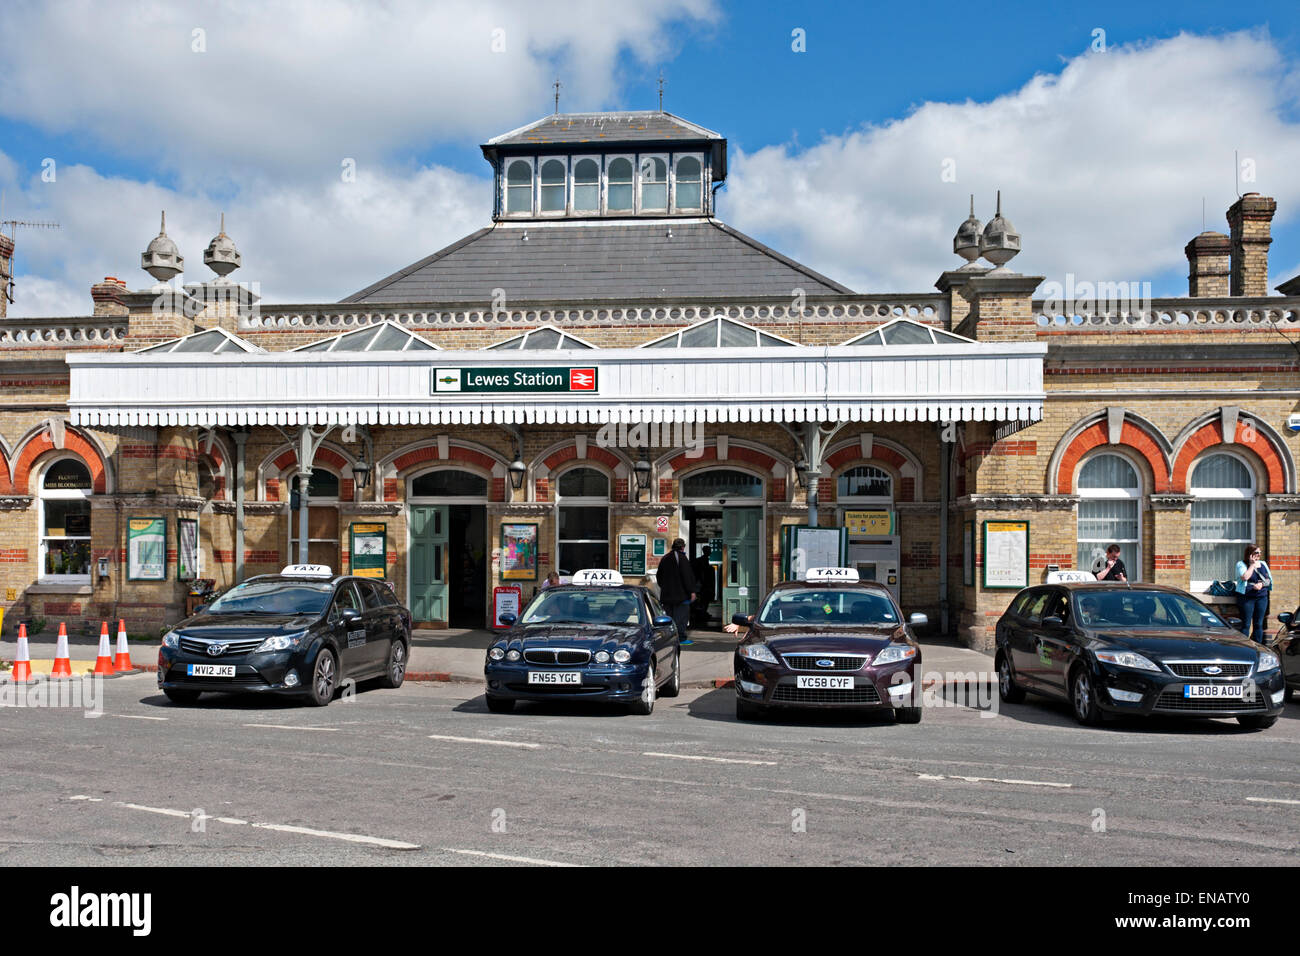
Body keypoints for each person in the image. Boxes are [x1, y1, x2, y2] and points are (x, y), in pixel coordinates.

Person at [656, 537, 699, 645]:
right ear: (683, 547)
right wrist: (692, 591)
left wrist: (665, 587)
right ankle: (681, 638)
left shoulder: (665, 558)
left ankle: (668, 639)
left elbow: (659, 576)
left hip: (666, 596)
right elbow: (687, 576)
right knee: (681, 618)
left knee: (668, 619)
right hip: (681, 596)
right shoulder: (682, 558)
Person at [1235, 544, 1272, 643]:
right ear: (1250, 554)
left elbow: (1269, 580)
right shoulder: (1241, 564)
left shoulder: (1263, 564)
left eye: (1260, 553)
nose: (1259, 555)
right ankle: (1243, 647)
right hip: (1246, 598)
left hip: (1261, 597)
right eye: (1256, 553)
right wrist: (1252, 565)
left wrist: (1261, 585)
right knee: (1246, 624)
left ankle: (1257, 647)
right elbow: (1245, 577)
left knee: (1258, 624)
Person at [690, 545, 716, 628]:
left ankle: (703, 613)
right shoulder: (701, 560)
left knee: (705, 600)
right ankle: (701, 614)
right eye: (709, 550)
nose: (710, 552)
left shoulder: (703, 560)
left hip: (704, 584)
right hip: (703, 584)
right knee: (703, 601)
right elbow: (701, 573)